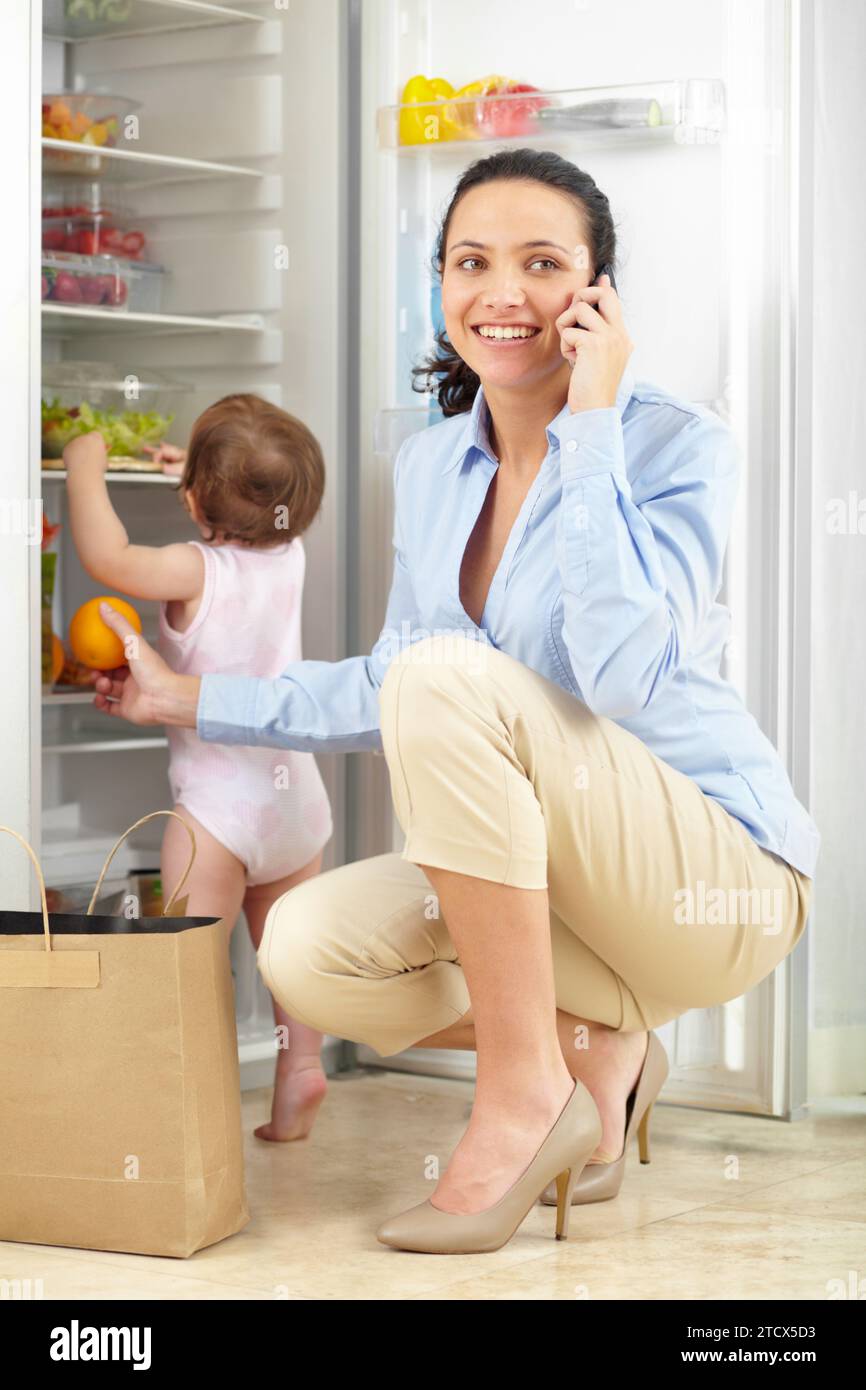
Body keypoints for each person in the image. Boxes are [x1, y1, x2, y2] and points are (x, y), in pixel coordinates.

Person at [82, 149, 819, 1256]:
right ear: (440, 285)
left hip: (713, 879)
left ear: (596, 293)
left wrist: (590, 427)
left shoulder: (673, 445)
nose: (502, 292)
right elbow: (391, 683)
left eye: (541, 262)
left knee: (446, 674)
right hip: (571, 914)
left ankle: (525, 1094)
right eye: (471, 262)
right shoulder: (432, 467)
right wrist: (185, 692)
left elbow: (618, 672)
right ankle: (592, 1044)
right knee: (308, 954)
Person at [63, 394, 334, 1145]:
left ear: (191, 500)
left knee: (194, 966)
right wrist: (199, 478)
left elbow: (107, 558)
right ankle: (301, 1072)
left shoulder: (194, 570)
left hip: (218, 812)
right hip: (294, 803)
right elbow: (254, 504)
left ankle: (200, 1101)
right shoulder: (290, 552)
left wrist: (84, 467)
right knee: (290, 958)